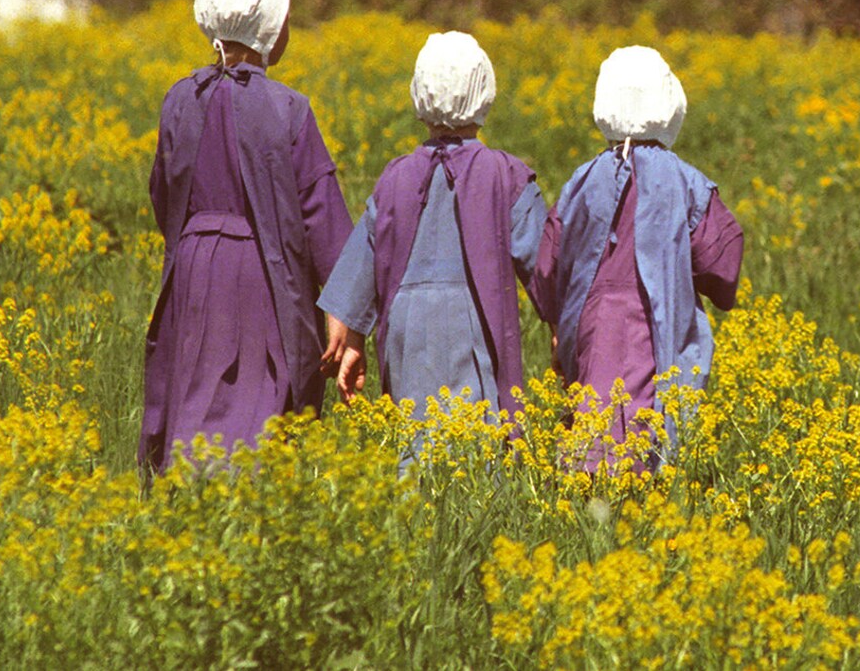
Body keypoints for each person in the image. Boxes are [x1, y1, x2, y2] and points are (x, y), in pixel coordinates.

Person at [139, 0, 353, 474]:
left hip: (191, 269)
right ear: (268, 32)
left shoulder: (179, 100)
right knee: (260, 396)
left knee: (194, 387)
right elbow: (320, 212)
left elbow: (163, 194)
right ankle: (250, 505)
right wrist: (343, 308)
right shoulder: (288, 108)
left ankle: (188, 494)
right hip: (259, 272)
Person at [318, 32, 546, 427]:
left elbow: (355, 276)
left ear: (419, 99)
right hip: (473, 317)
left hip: (408, 326)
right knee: (477, 433)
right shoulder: (506, 174)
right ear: (484, 95)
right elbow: (547, 269)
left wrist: (351, 337)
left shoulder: (395, 177)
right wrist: (565, 328)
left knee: (413, 427)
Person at [535, 46, 743, 456]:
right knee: (650, 418)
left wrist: (558, 322)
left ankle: (588, 493)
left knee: (593, 413)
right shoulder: (686, 182)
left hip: (592, 323)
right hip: (655, 323)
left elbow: (548, 265)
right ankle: (640, 502)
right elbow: (721, 265)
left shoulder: (582, 179)